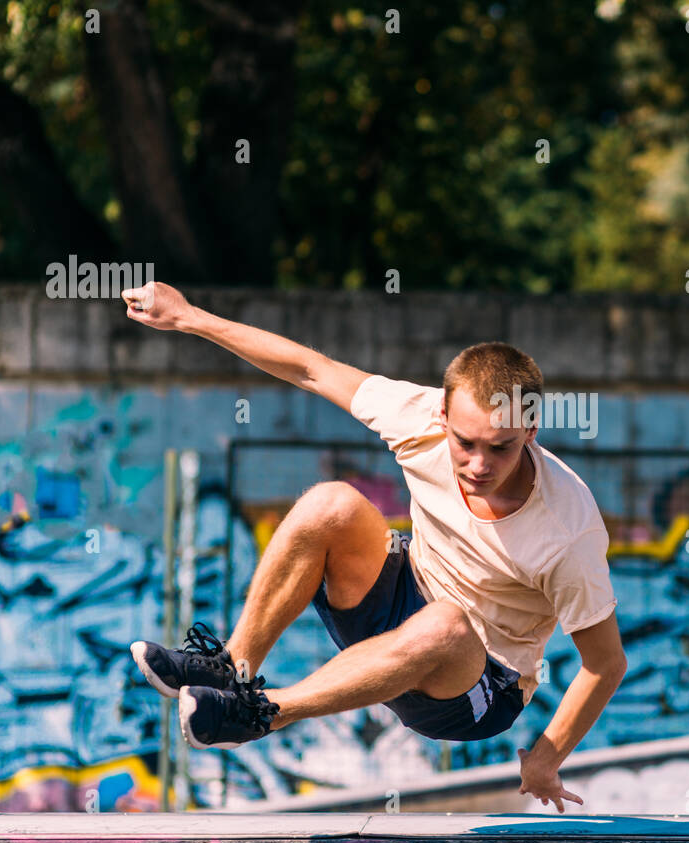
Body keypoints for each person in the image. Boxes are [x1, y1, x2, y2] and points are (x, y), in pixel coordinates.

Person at [123, 281, 626, 812]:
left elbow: (605, 663)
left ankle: (262, 712)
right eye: (465, 443)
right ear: (442, 418)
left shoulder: (567, 528)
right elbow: (308, 368)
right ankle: (233, 667)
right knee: (330, 504)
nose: (479, 465)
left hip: (479, 691)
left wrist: (546, 756)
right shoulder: (419, 417)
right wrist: (188, 317)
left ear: (531, 430)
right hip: (401, 604)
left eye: (500, 448)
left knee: (446, 624)